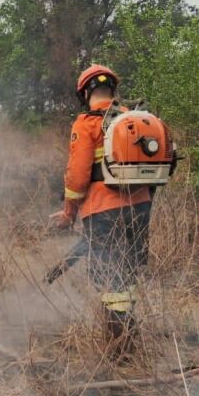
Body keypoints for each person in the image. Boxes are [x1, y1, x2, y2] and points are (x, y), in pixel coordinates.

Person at [50, 65, 152, 356]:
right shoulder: (134, 119)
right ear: (114, 90)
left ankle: (121, 350)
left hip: (103, 211)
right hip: (141, 207)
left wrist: (69, 212)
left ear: (85, 93)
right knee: (127, 274)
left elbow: (78, 177)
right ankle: (128, 341)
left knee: (109, 278)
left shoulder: (86, 123)